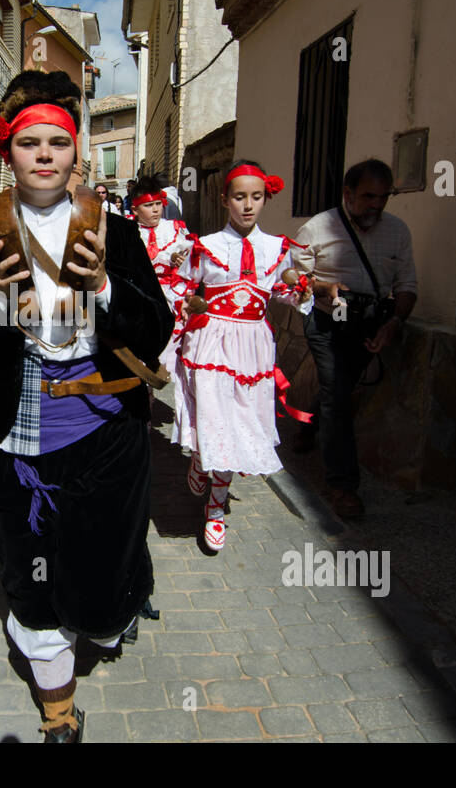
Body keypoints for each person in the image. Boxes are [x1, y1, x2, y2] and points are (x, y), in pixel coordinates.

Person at [0, 70, 174, 743]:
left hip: (107, 443)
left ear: (76, 154)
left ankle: (120, 588)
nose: (43, 154)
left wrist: (103, 285)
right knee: (31, 585)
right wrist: (0, 309)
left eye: (58, 142)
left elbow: (156, 328)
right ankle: (59, 713)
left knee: (99, 583)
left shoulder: (116, 234)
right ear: (7, 153)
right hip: (17, 448)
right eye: (28, 142)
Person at [172, 160, 313, 551]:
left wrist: (298, 293)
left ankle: (215, 508)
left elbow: (279, 292)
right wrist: (186, 305)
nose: (248, 205)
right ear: (224, 200)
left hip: (252, 347)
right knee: (214, 419)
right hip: (211, 343)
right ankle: (201, 458)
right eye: (239, 197)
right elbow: (183, 288)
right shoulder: (206, 247)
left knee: (238, 424)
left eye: (256, 197)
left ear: (266, 198)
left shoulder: (276, 248)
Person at [290, 159, 418, 519]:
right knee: (338, 394)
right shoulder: (317, 228)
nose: (376, 205)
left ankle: (307, 421)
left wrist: (393, 322)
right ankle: (342, 485)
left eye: (383, 197)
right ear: (348, 194)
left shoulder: (398, 231)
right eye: (368, 196)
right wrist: (323, 287)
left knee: (339, 389)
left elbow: (407, 285)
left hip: (370, 324)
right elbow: (291, 277)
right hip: (328, 322)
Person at [127, 174, 195, 376]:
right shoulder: (128, 230)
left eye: (158, 204)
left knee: (173, 354)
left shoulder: (175, 229)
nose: (156, 209)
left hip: (171, 295)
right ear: (135, 209)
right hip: (141, 297)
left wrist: (183, 269)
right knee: (140, 352)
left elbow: (192, 268)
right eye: (149, 206)